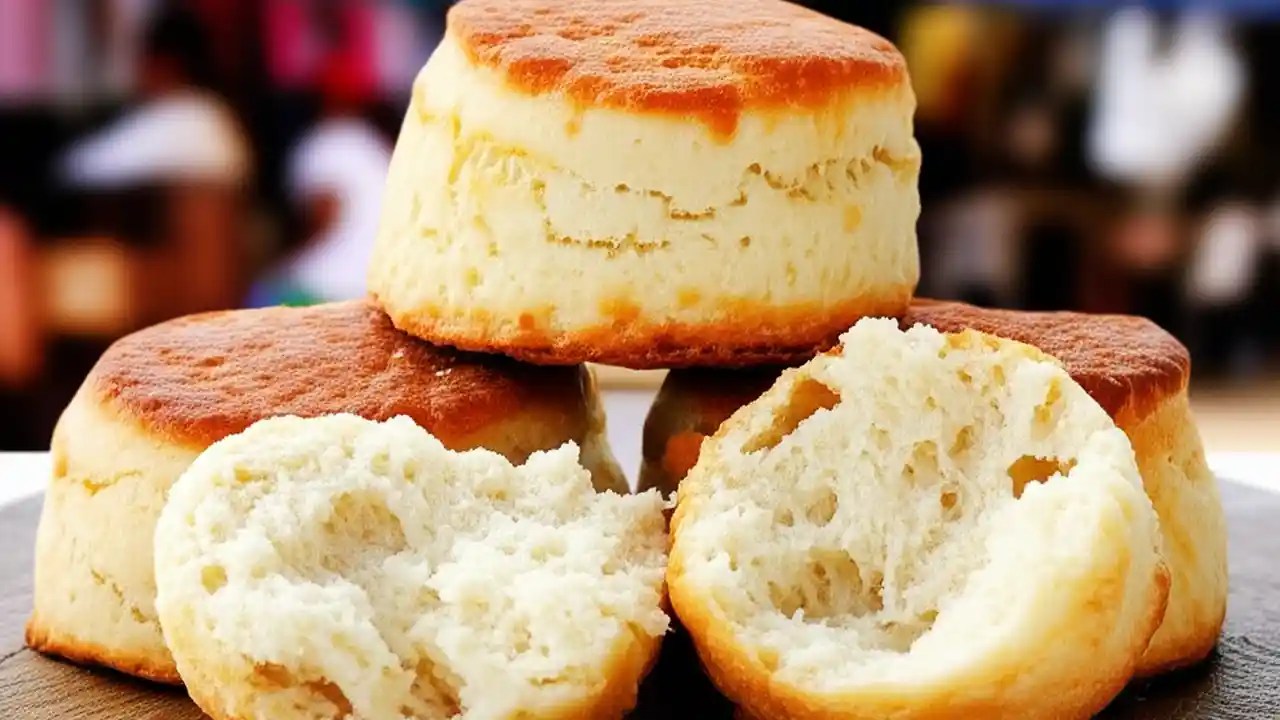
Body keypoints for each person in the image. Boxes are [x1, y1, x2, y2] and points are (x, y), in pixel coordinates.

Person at [248, 54, 392, 306]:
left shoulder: (324, 141)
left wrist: (274, 261)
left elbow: (323, 217)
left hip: (329, 287)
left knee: (260, 291)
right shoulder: (379, 144)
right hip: (378, 286)